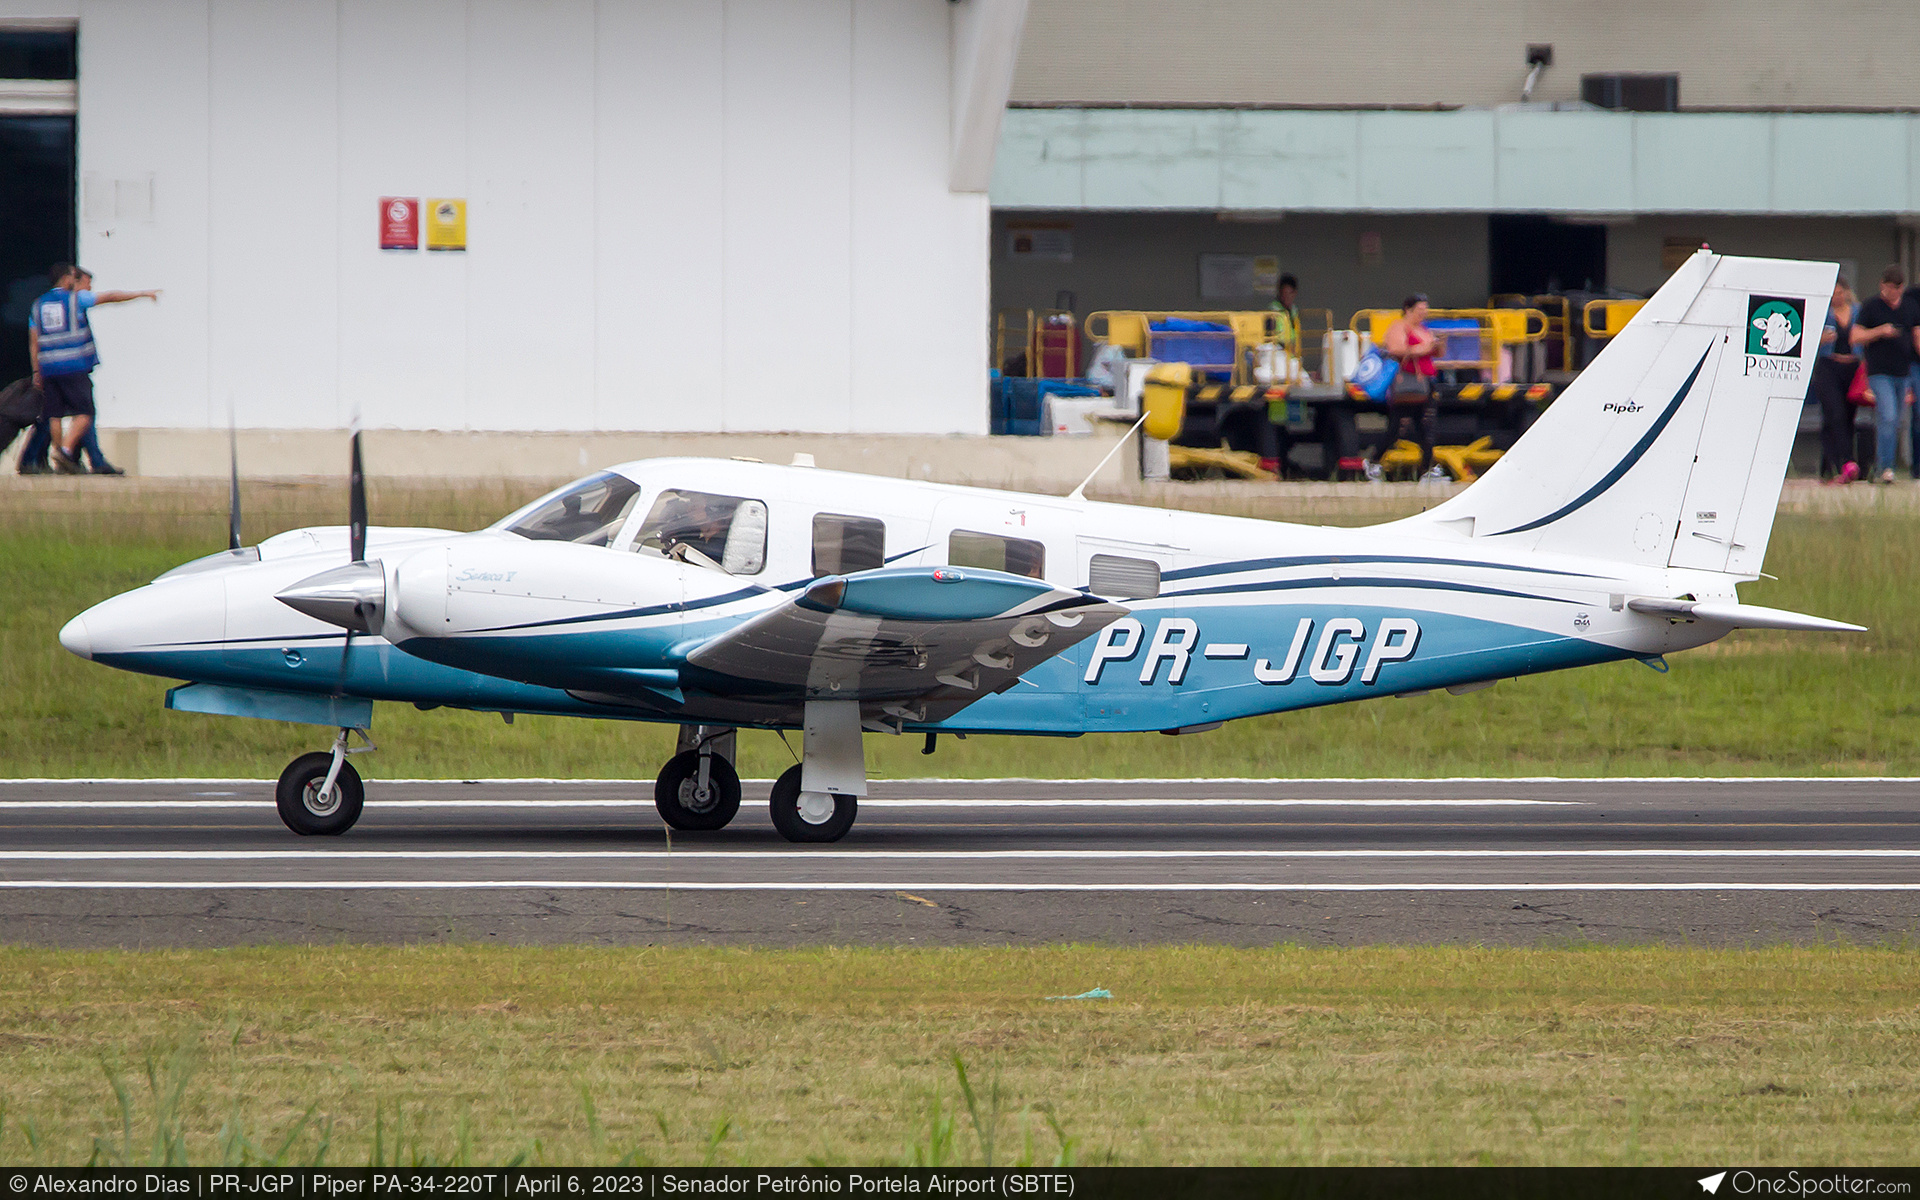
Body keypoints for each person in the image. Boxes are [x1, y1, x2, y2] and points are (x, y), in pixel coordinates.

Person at [27, 262, 159, 474]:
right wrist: (142, 294)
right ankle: (66, 453)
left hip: (49, 368)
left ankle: (58, 450)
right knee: (85, 412)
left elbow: (34, 342)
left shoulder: (37, 305)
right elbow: (110, 298)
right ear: (66, 279)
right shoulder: (75, 299)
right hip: (73, 365)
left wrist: (37, 372)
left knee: (54, 415)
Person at [1850, 265, 1920, 484]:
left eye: (1897, 289)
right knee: (1887, 416)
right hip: (1879, 372)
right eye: (1889, 289)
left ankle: (1890, 464)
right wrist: (1880, 331)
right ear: (1882, 286)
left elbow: (1916, 335)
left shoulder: (1910, 306)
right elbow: (1855, 336)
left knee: (1898, 420)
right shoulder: (1872, 306)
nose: (1892, 294)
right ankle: (1884, 467)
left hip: (1903, 371)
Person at [1381, 293, 1443, 474]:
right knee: (1397, 427)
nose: (1423, 314)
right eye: (1419, 310)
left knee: (1427, 427)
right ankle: (1375, 460)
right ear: (1408, 310)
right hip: (1408, 383)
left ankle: (1428, 466)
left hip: (1426, 383)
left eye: (1425, 310)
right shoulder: (1399, 327)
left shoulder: (1423, 329)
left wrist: (1436, 346)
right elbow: (1396, 349)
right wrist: (1422, 348)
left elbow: (1435, 352)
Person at [1813, 278, 1861, 484]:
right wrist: (1821, 338)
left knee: (1847, 416)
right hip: (1828, 365)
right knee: (1835, 412)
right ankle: (1846, 462)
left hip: (1851, 366)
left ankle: (1828, 466)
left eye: (1839, 293)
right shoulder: (1823, 313)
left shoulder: (1857, 312)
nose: (1836, 298)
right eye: (1832, 294)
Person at [1268, 273, 1301, 356]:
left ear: (1295, 293)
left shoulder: (1294, 310)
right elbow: (1269, 335)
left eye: (1289, 293)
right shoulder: (1273, 310)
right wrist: (1285, 347)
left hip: (1292, 354)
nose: (1286, 297)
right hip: (1279, 354)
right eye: (1283, 293)